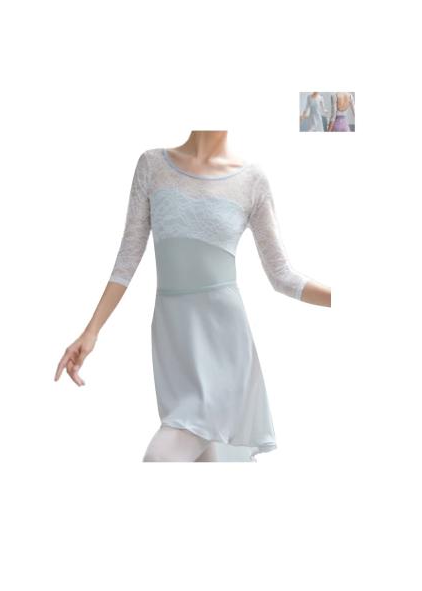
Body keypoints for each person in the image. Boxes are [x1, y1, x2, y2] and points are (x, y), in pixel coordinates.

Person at [54, 131, 331, 462]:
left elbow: (282, 276)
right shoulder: (152, 166)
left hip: (225, 351)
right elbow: (127, 260)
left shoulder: (251, 180)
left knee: (161, 458)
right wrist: (91, 331)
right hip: (174, 349)